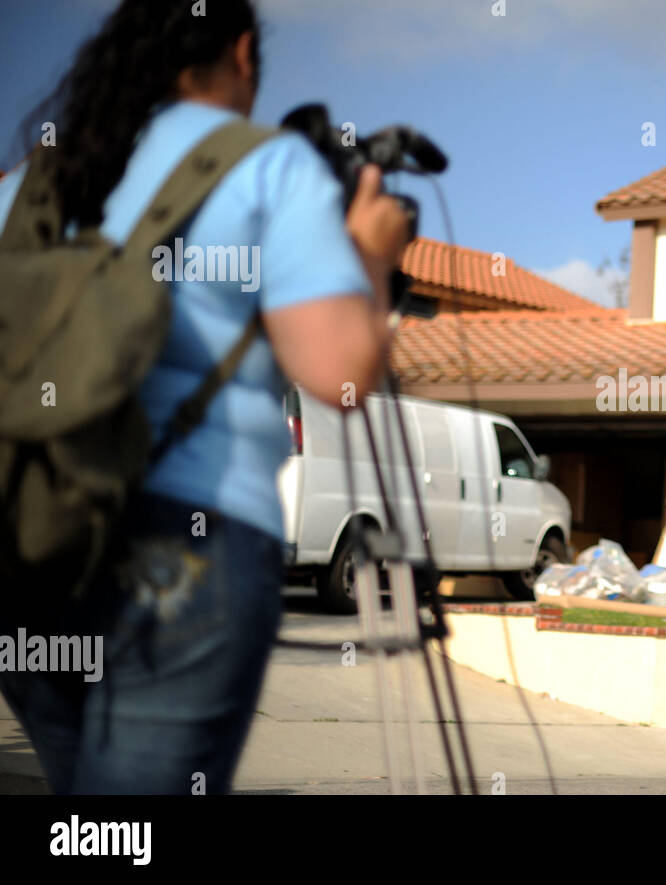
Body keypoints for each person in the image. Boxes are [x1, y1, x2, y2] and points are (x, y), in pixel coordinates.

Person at [0, 0, 408, 794]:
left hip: (30, 533)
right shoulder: (268, 164)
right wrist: (371, 256)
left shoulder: (32, 181)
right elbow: (338, 373)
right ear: (244, 52)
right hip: (191, 541)